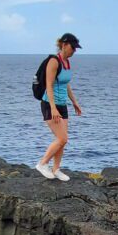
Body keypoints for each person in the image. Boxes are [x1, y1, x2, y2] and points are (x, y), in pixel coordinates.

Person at [36, 33, 83, 181]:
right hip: (50, 105)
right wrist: (53, 108)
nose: (74, 51)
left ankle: (56, 169)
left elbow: (65, 84)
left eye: (76, 48)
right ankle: (42, 164)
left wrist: (74, 101)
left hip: (63, 104)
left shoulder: (67, 62)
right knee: (62, 139)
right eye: (72, 47)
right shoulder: (54, 61)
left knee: (61, 140)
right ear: (64, 44)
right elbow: (49, 86)